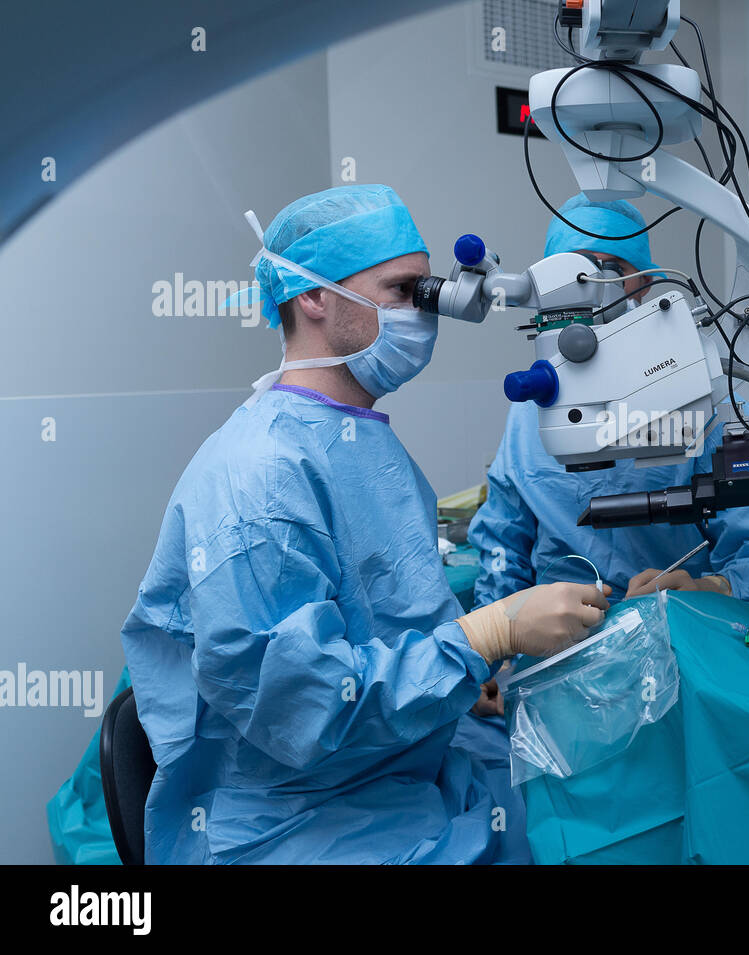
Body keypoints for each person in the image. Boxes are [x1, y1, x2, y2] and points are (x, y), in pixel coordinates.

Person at [120, 185, 609, 864]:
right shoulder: (259, 474)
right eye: (404, 290)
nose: (426, 313)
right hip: (309, 823)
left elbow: (384, 627)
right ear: (314, 296)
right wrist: (486, 633)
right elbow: (304, 705)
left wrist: (466, 681)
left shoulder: (357, 440)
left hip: (395, 771)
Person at [468, 194, 749, 684]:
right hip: (558, 669)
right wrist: (495, 650)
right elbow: (504, 539)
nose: (587, 289)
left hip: (685, 655)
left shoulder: (708, 404)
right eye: (568, 272)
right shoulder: (532, 414)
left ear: (648, 285)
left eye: (609, 269)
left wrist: (711, 588)